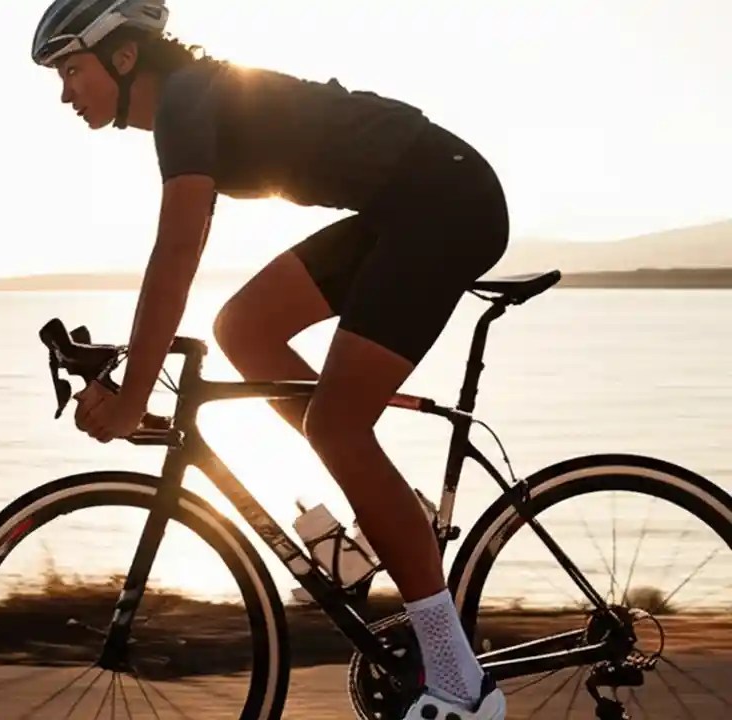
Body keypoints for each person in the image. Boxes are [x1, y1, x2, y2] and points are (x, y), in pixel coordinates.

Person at [38, 1, 509, 718]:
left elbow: (177, 252)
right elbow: (181, 260)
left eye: (72, 70)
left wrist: (135, 394)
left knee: (335, 427)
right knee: (244, 327)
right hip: (402, 208)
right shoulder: (193, 103)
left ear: (124, 57)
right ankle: (383, 511)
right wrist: (134, 369)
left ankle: (459, 685)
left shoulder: (188, 102)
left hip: (446, 203)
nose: (66, 92)